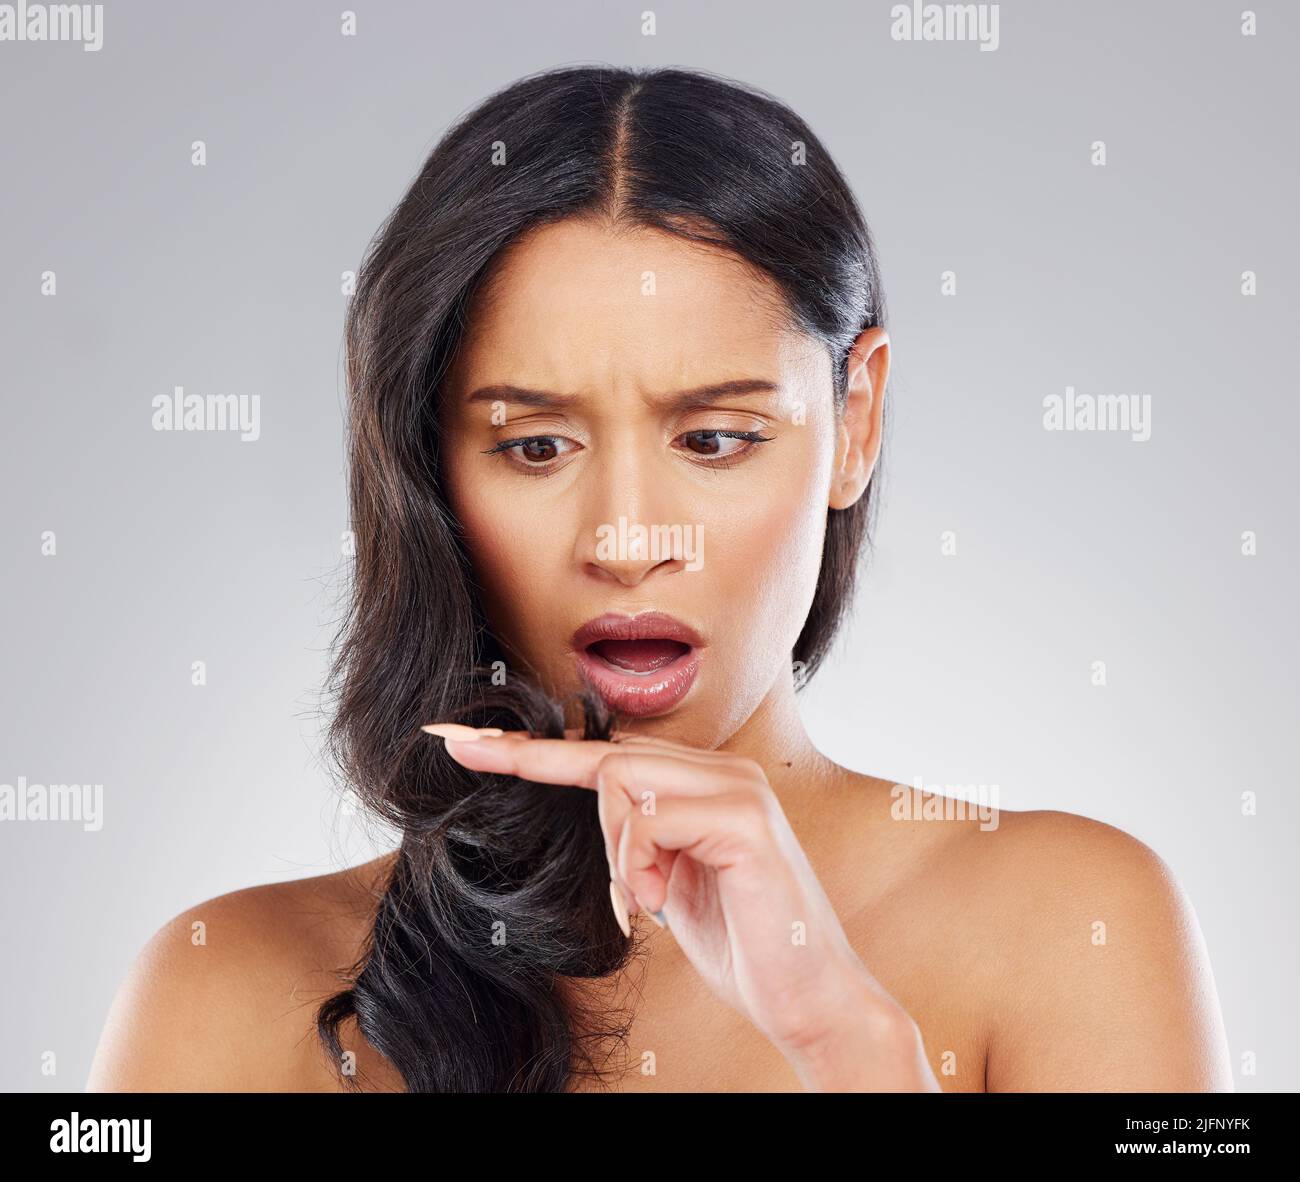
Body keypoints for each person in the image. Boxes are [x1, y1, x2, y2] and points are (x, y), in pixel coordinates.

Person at [87, 64, 1232, 1093]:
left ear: (854, 422)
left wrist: (846, 1041)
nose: (628, 541)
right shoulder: (227, 988)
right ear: (429, 470)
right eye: (535, 446)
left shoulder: (1073, 920)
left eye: (715, 439)